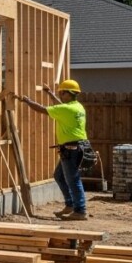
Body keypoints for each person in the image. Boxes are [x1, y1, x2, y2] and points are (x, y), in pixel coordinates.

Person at [18, 79, 89, 221]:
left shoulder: (68, 109)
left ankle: (80, 210)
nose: (61, 95)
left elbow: (43, 109)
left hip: (71, 149)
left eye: (62, 93)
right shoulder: (77, 107)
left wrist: (27, 101)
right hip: (76, 147)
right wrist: (50, 93)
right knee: (59, 176)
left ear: (68, 94)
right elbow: (60, 106)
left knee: (73, 179)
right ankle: (70, 204)